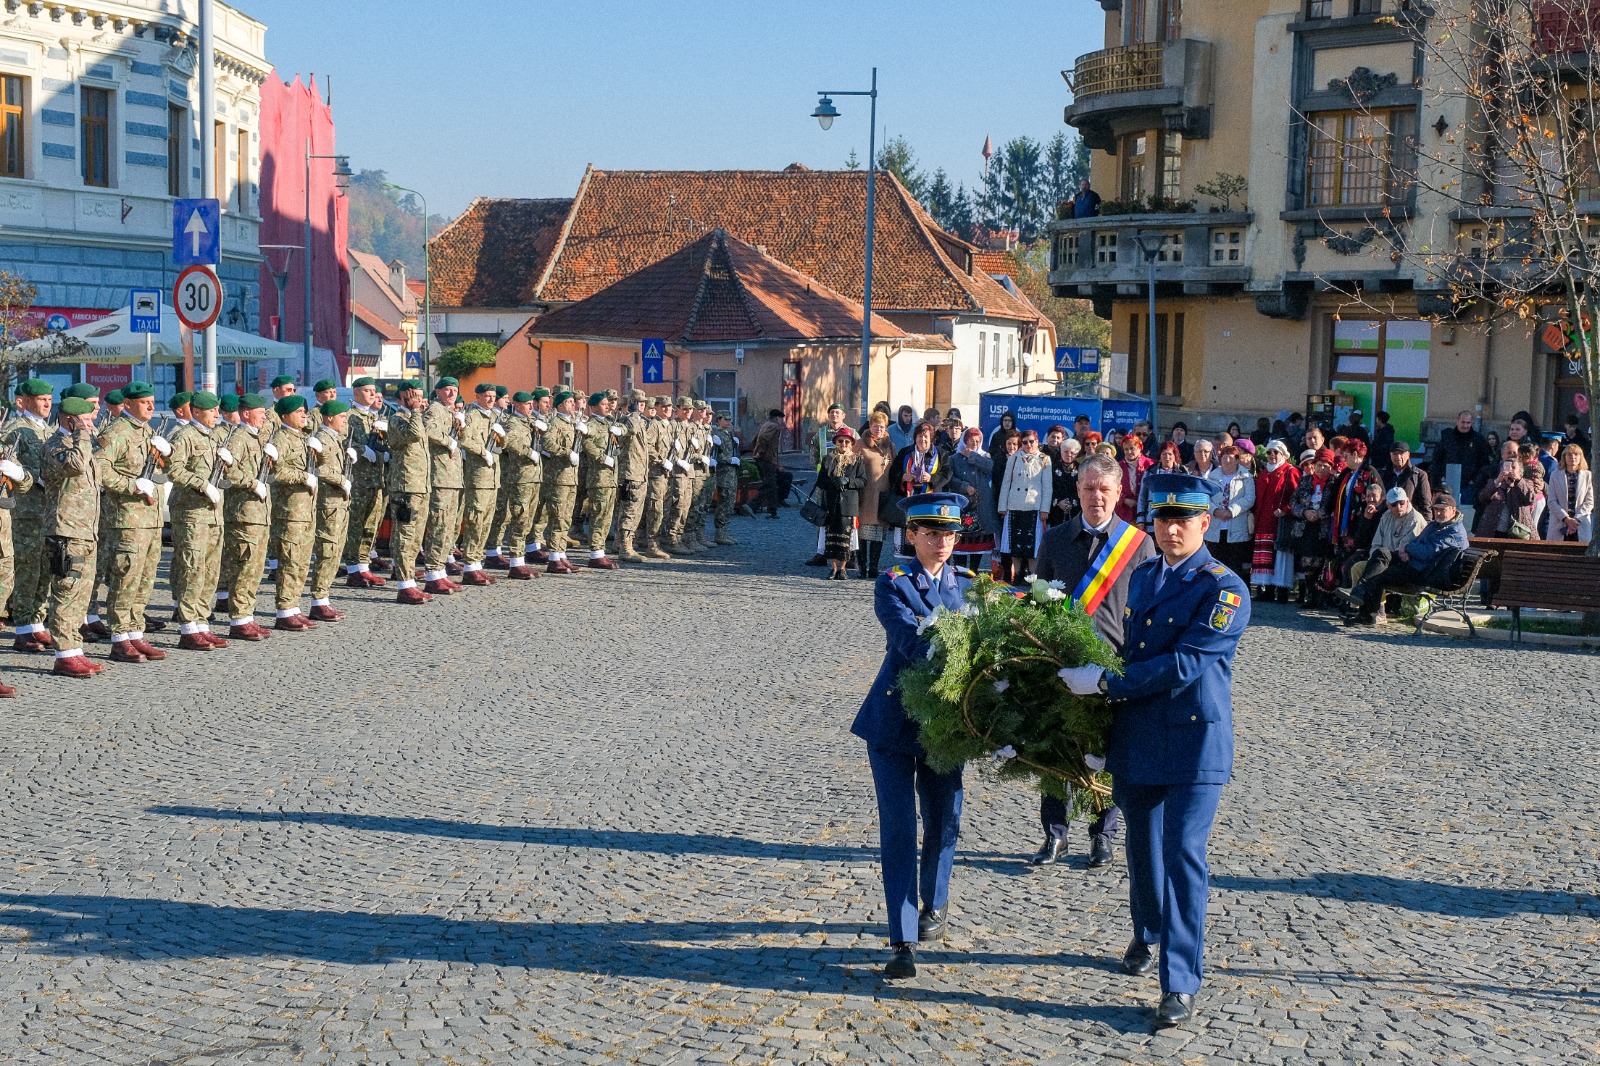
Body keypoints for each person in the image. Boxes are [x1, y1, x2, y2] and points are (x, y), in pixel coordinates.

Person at [1058, 471, 1249, 1028]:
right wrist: (1101, 727)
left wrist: (1105, 684)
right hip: (1139, 735)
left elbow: (1186, 663)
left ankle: (1180, 982)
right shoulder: (1143, 577)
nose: (1171, 530)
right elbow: (1128, 650)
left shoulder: (1224, 589)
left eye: (1183, 519)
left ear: (1205, 523)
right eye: (1162, 519)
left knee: (1183, 854)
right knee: (1142, 851)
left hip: (1193, 742)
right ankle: (1147, 931)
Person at [852, 492, 974, 980]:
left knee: (944, 819)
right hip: (895, 722)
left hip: (945, 727)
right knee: (900, 829)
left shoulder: (970, 587)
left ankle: (934, 903)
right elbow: (910, 640)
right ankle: (902, 939)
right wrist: (967, 657)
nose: (941, 543)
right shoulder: (893, 583)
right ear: (911, 536)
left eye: (949, 535)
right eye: (931, 534)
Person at [1032, 454, 1156, 869]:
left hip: (1112, 665)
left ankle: (1103, 835)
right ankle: (1055, 834)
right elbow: (1038, 602)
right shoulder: (1054, 539)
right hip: (1061, 662)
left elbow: (1147, 610)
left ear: (1119, 493)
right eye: (1088, 488)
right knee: (1056, 748)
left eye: (1104, 489)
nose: (1096, 497)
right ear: (1077, 491)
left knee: (1108, 752)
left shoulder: (1139, 545)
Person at [96, 381, 168, 664]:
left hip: (150, 519)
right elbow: (99, 468)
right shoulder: (116, 432)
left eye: (152, 401)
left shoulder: (148, 431)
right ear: (127, 404)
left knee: (145, 580)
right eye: (144, 402)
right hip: (127, 519)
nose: (151, 406)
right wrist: (131, 486)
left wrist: (168, 455)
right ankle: (119, 638)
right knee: (125, 579)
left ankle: (136, 632)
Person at [39, 395, 103, 677]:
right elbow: (74, 466)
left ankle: (75, 649)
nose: (90, 425)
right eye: (85, 420)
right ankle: (64, 654)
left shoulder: (82, 445)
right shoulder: (55, 446)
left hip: (86, 531)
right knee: (66, 592)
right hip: (65, 530)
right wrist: (81, 435)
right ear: (70, 420)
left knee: (82, 594)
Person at [165, 390, 229, 650]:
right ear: (197, 411)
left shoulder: (212, 436)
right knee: (192, 569)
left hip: (212, 513)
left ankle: (202, 623)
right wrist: (202, 485)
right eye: (212, 410)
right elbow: (173, 469)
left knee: (210, 570)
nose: (217, 414)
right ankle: (188, 627)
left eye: (217, 410)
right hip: (190, 512)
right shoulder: (184, 436)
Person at [1346, 492, 1468, 625]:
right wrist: (1406, 549)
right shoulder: (1435, 525)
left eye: (1442, 510)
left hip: (1422, 571)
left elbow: (1427, 552)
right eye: (1436, 509)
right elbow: (1417, 541)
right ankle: (1360, 593)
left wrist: (1408, 549)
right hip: (1411, 561)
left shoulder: (1455, 533)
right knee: (1381, 553)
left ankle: (1365, 610)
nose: (1438, 513)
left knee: (1379, 575)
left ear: (1453, 510)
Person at [216, 394, 276, 638]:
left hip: (258, 513)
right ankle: (239, 619)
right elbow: (228, 471)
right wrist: (253, 484)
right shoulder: (239, 438)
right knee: (243, 567)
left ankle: (247, 616)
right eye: (260, 412)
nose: (264, 416)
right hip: (243, 514)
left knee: (254, 569)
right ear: (246, 414)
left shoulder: (256, 438)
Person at [4, 378, 56, 652]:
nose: (47, 403)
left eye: (49, 398)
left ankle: (37, 622)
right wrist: (37, 477)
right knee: (26, 569)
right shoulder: (15, 430)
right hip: (25, 511)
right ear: (24, 401)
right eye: (41, 399)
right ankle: (23, 628)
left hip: (47, 512)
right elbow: (10, 467)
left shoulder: (48, 429)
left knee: (44, 569)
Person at [266, 396, 318, 632]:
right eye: (298, 412)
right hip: (289, 510)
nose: (304, 414)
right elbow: (275, 473)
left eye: (304, 411)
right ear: (285, 416)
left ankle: (294, 607)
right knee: (289, 560)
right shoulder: (281, 438)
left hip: (306, 509)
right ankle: (284, 610)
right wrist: (302, 477)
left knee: (302, 562)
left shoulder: (303, 437)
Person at [384, 380, 435, 605]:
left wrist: (420, 412)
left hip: (420, 485)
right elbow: (414, 435)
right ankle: (404, 586)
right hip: (405, 486)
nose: (419, 401)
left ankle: (410, 581)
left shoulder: (417, 418)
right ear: (404, 397)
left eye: (421, 396)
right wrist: (415, 411)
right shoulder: (397, 419)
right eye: (415, 396)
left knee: (415, 538)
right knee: (405, 536)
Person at [305, 401, 355, 621]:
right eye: (341, 417)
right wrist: (341, 480)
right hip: (328, 503)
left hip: (339, 502)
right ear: (329, 418)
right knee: (327, 550)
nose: (345, 420)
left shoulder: (335, 438)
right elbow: (318, 469)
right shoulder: (322, 439)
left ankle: (324, 598)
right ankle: (318, 600)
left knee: (336, 552)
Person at [342, 377, 390, 588]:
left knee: (371, 524)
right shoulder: (349, 417)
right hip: (358, 479)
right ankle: (353, 568)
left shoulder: (375, 417)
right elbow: (342, 439)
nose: (372, 394)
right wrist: (362, 450)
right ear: (356, 393)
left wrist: (385, 449)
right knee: (355, 525)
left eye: (373, 391)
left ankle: (364, 565)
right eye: (367, 391)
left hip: (376, 478)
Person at [456, 383, 505, 583]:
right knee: (475, 521)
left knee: (486, 522)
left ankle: (477, 562)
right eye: (487, 396)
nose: (491, 399)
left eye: (493, 396)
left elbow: (502, 446)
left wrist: (502, 437)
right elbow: (465, 440)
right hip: (478, 477)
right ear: (477, 397)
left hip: (493, 477)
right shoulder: (471, 416)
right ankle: (469, 565)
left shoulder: (495, 416)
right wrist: (483, 452)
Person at [536, 390, 584, 572]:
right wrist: (566, 453)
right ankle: (554, 557)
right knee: (557, 517)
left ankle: (561, 554)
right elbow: (547, 443)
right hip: (558, 477)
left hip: (570, 477)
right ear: (561, 405)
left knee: (566, 518)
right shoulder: (556, 422)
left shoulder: (573, 423)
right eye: (570, 402)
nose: (573, 404)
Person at [997, 430, 1052, 583]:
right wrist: (1002, 506)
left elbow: (1047, 486)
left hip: (1034, 506)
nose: (1029, 445)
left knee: (1033, 545)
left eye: (1032, 441)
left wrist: (1045, 509)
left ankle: (1033, 577)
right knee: (1015, 543)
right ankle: (1017, 574)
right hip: (1014, 505)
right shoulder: (1014, 458)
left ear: (1037, 442)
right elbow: (1006, 482)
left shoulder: (1044, 459)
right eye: (1025, 442)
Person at [890, 421, 950, 558]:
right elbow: (893, 472)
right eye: (920, 436)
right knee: (911, 534)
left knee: (928, 531)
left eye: (926, 436)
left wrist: (932, 478)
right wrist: (902, 476)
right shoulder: (905, 452)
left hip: (931, 501)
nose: (922, 439)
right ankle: (910, 563)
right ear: (915, 437)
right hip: (909, 500)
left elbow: (947, 474)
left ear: (931, 438)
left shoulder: (941, 454)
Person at [1251, 440, 1300, 601]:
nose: (1272, 455)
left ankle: (1282, 591)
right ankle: (1266, 589)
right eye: (1269, 452)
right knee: (1265, 557)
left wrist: (1286, 510)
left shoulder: (1290, 471)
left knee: (1280, 557)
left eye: (1275, 452)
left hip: (1281, 522)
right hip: (1263, 521)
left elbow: (1296, 496)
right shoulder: (1264, 473)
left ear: (1283, 454)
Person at [816, 426, 865, 579]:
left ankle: (843, 568)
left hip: (848, 504)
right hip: (831, 503)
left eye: (846, 441)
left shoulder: (857, 460)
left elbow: (862, 481)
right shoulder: (828, 459)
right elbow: (820, 481)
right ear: (836, 442)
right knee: (831, 538)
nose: (843, 444)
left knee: (845, 538)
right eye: (840, 441)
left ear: (851, 443)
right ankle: (833, 567)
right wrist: (833, 481)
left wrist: (848, 481)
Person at [1203, 446, 1256, 583]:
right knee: (1216, 565)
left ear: (1237, 460)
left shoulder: (1246, 477)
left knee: (1235, 566)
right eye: (1224, 457)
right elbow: (1205, 497)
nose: (1227, 461)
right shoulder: (1212, 477)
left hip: (1237, 528)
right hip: (1216, 528)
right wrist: (1215, 511)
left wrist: (1231, 511)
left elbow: (1249, 498)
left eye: (1231, 458)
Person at [948, 427, 995, 572]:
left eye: (977, 441)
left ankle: (974, 570)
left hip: (980, 504)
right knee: (960, 539)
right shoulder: (954, 458)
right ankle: (959, 570)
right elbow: (950, 478)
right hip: (962, 504)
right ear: (965, 440)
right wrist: (964, 486)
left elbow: (989, 467)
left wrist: (972, 456)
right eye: (971, 441)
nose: (974, 443)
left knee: (978, 540)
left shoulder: (984, 456)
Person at [1430, 411, 1494, 500]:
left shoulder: (1478, 439)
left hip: (1469, 485)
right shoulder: (1447, 437)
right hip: (1447, 483)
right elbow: (1437, 459)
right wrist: (1441, 476)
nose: (1465, 425)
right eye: (1463, 422)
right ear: (1457, 421)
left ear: (1472, 423)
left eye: (1468, 422)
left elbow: (1484, 463)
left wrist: (1475, 480)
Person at [1545, 444, 1593, 543]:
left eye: (1576, 454)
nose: (1573, 457)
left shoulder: (1588, 475)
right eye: (1569, 454)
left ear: (1581, 457)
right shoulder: (1555, 475)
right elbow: (1551, 501)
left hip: (1581, 523)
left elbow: (1590, 502)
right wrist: (1566, 519)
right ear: (1564, 457)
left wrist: (1576, 520)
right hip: (1559, 523)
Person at [1138, 443, 1184, 530]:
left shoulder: (1183, 473)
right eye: (1164, 454)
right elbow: (1142, 497)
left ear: (1175, 456)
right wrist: (1140, 519)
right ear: (1160, 456)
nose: (1167, 457)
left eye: (1170, 454)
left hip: (1175, 519)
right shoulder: (1150, 472)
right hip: (1153, 519)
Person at [750, 408, 784, 520]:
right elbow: (763, 438)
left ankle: (772, 511)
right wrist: (760, 452)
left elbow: (754, 439)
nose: (782, 422)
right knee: (769, 484)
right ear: (777, 418)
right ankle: (751, 505)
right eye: (781, 419)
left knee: (772, 485)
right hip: (766, 458)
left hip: (765, 459)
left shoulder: (764, 425)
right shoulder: (774, 426)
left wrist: (755, 451)